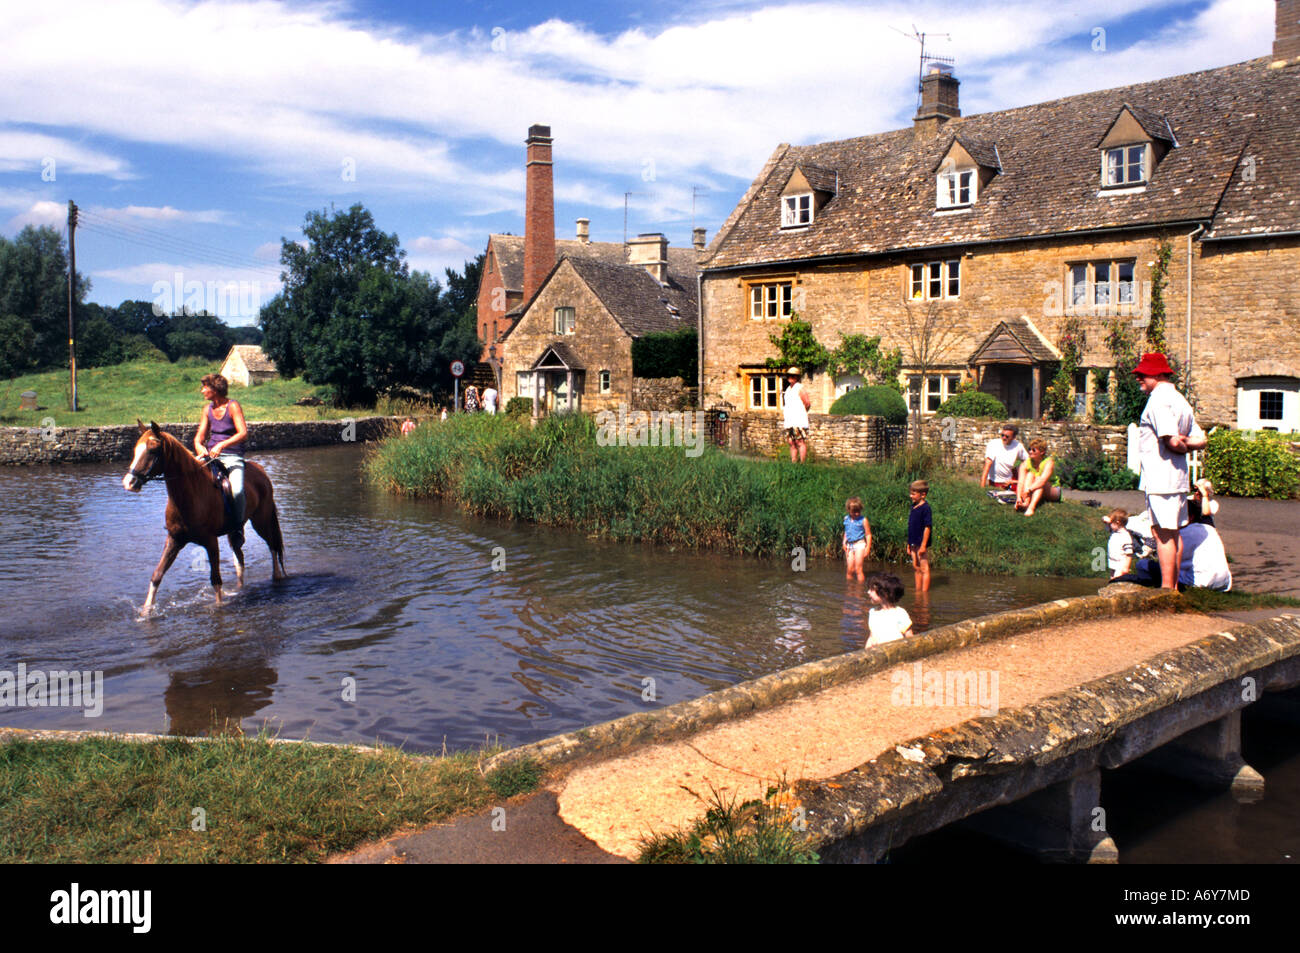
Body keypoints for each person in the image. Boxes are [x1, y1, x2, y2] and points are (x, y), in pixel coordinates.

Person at [1134, 352, 1207, 589]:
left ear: (1156, 374)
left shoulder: (1158, 400)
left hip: (1161, 478)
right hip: (1176, 478)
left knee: (1163, 535)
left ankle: (1167, 590)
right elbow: (1201, 439)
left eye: (1142, 374)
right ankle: (1173, 587)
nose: (1139, 379)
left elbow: (1171, 442)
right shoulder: (1179, 399)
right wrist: (1189, 443)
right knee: (1173, 533)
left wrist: (1180, 444)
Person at [193, 373, 248, 547]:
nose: (202, 391)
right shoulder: (206, 410)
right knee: (187, 476)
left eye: (205, 387)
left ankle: (238, 528)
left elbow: (243, 433)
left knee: (237, 491)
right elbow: (198, 439)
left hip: (232, 456)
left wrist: (222, 445)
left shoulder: (233, 406)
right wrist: (201, 449)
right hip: (211, 456)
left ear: (215, 389)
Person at [1112, 521, 1231, 591]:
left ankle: (1158, 586)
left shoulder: (1184, 533)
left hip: (1201, 581)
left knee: (1143, 564)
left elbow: (1169, 559)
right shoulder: (1209, 529)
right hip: (1224, 581)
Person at [1015, 437, 1061, 516]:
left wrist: (1028, 491)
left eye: (1034, 450)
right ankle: (1026, 503)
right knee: (1029, 475)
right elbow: (1021, 482)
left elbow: (1042, 481)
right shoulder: (1025, 463)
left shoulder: (1049, 462)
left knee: (1038, 479)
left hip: (1052, 489)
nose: (1030, 452)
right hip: (1035, 490)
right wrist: (1018, 497)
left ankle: (1031, 507)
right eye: (1029, 449)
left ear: (1042, 452)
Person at [866, 572, 912, 647]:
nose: (868, 592)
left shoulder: (900, 613)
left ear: (884, 594)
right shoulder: (873, 612)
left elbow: (910, 637)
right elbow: (871, 637)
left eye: (871, 590)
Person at [981, 423, 1028, 491]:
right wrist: (982, 487)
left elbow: (1028, 461)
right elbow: (987, 465)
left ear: (1014, 437)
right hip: (995, 482)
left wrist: (1020, 469)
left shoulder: (1018, 446)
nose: (1004, 438)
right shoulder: (994, 444)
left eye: (1007, 436)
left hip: (1010, 480)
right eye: (1002, 435)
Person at [782, 366, 811, 463]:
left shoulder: (800, 388)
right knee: (791, 442)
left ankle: (802, 464)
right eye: (789, 375)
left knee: (800, 442)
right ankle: (793, 463)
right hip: (789, 421)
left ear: (797, 377)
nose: (791, 377)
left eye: (793, 376)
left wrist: (801, 413)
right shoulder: (788, 389)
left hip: (799, 421)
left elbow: (807, 403)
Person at [907, 479, 932, 592]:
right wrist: (908, 543)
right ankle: (918, 591)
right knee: (916, 567)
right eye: (910, 493)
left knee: (924, 568)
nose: (910, 496)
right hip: (913, 541)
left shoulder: (926, 508)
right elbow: (910, 526)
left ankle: (924, 593)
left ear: (923, 495)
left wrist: (923, 545)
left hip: (921, 542)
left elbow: (927, 527)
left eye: (913, 494)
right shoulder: (913, 507)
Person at [842, 496, 872, 582]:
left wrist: (867, 548)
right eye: (854, 512)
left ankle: (860, 591)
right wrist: (844, 542)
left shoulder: (863, 520)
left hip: (860, 544)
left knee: (858, 569)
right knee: (850, 570)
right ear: (848, 510)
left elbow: (868, 534)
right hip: (849, 545)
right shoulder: (846, 519)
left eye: (858, 511)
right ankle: (850, 590)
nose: (856, 513)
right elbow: (846, 532)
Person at [1103, 508, 1135, 579]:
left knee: (1117, 581)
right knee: (1112, 580)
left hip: (1121, 564)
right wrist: (1108, 520)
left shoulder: (1125, 536)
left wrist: (1126, 567)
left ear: (1117, 523)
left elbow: (1129, 553)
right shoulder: (1114, 531)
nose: (1109, 524)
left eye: (1111, 523)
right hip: (1112, 562)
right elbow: (1104, 519)